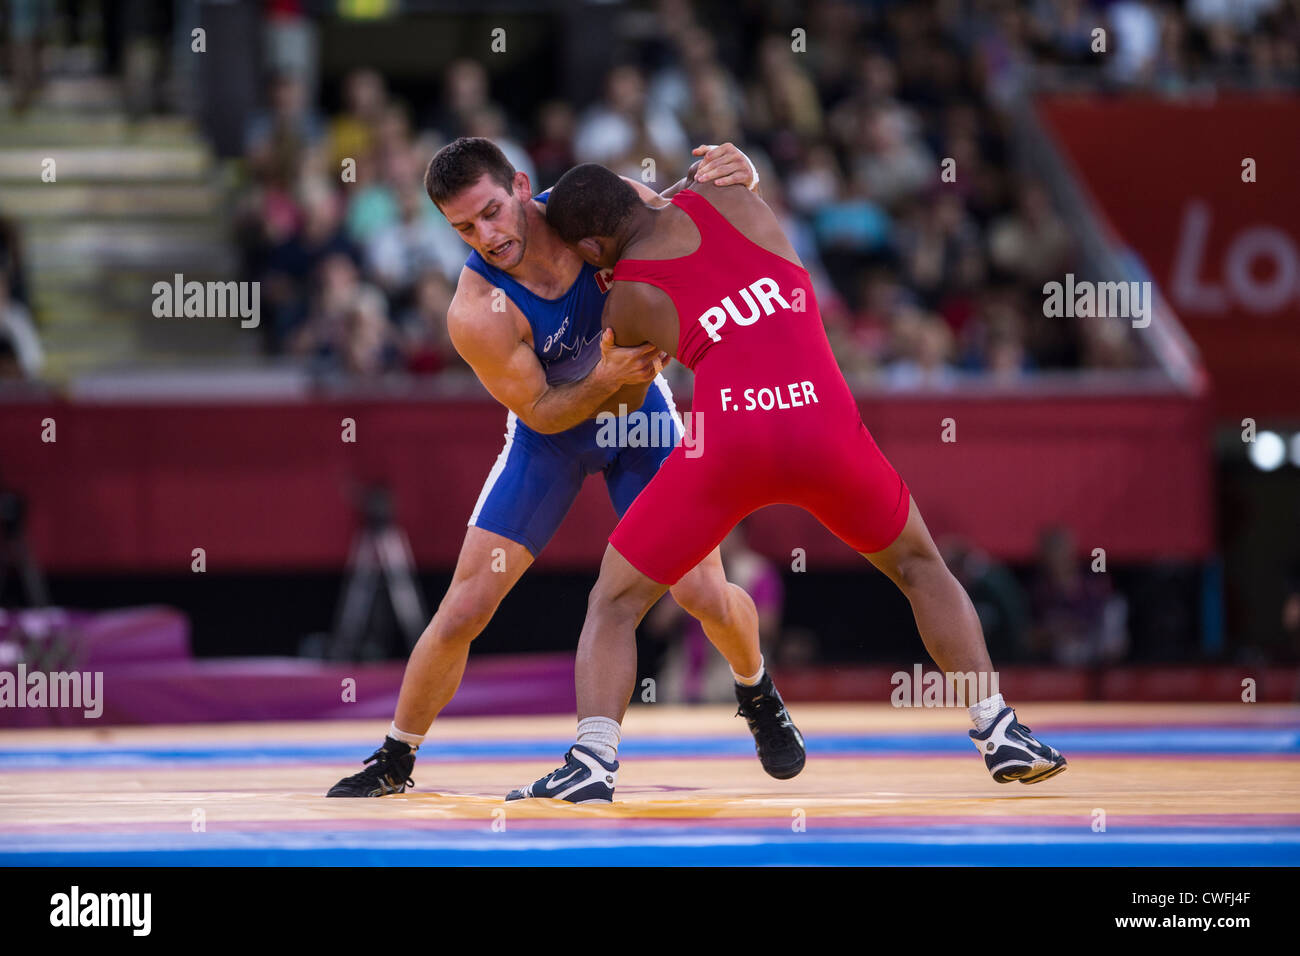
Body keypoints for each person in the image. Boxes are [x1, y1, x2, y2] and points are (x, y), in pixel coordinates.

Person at [512, 162, 1067, 798]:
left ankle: (593, 762)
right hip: (823, 425)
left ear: (589, 249)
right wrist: (735, 164)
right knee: (920, 565)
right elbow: (676, 199)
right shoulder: (730, 190)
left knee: (615, 602)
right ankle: (998, 730)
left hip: (729, 443)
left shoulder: (627, 299)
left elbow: (630, 380)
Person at [327, 138, 804, 802]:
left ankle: (756, 689)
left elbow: (691, 218)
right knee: (465, 605)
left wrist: (744, 174)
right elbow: (544, 412)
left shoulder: (591, 206)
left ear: (521, 186)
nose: (487, 236)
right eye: (464, 227)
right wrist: (600, 374)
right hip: (551, 437)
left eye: (492, 212)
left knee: (700, 593)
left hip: (642, 425)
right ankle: (396, 757)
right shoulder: (476, 309)